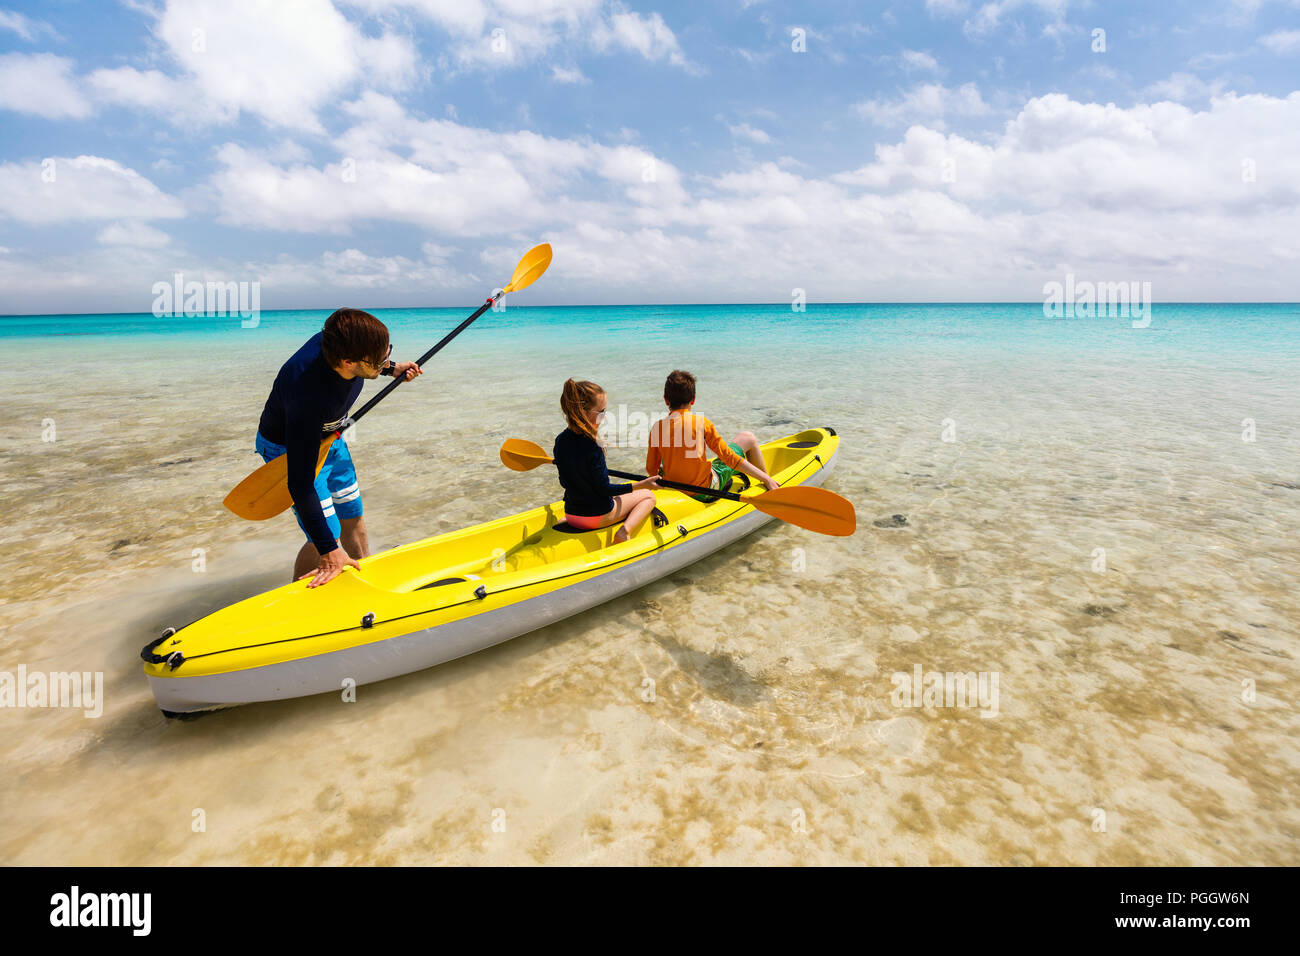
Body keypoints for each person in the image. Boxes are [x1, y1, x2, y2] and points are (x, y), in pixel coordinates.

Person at [255, 308, 421, 587]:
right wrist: (328, 551)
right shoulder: (307, 394)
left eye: (387, 353)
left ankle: (367, 579)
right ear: (347, 362)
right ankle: (301, 596)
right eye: (380, 360)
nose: (385, 361)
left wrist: (392, 368)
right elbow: (300, 484)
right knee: (326, 536)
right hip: (288, 449)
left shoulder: (340, 341)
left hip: (330, 438)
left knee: (352, 514)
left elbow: (370, 358)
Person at [646, 369, 780, 501]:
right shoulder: (702, 423)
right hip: (704, 491)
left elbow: (651, 469)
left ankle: (761, 480)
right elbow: (729, 458)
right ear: (693, 400)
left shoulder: (657, 428)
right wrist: (765, 478)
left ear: (666, 400)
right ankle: (768, 483)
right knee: (747, 437)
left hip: (673, 487)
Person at [554, 379, 659, 543]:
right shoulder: (593, 445)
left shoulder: (560, 441)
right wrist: (642, 484)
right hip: (595, 516)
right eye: (601, 412)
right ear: (583, 413)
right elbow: (605, 490)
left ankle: (576, 522)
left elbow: (564, 481)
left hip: (571, 514)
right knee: (648, 496)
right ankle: (624, 532)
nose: (604, 417)